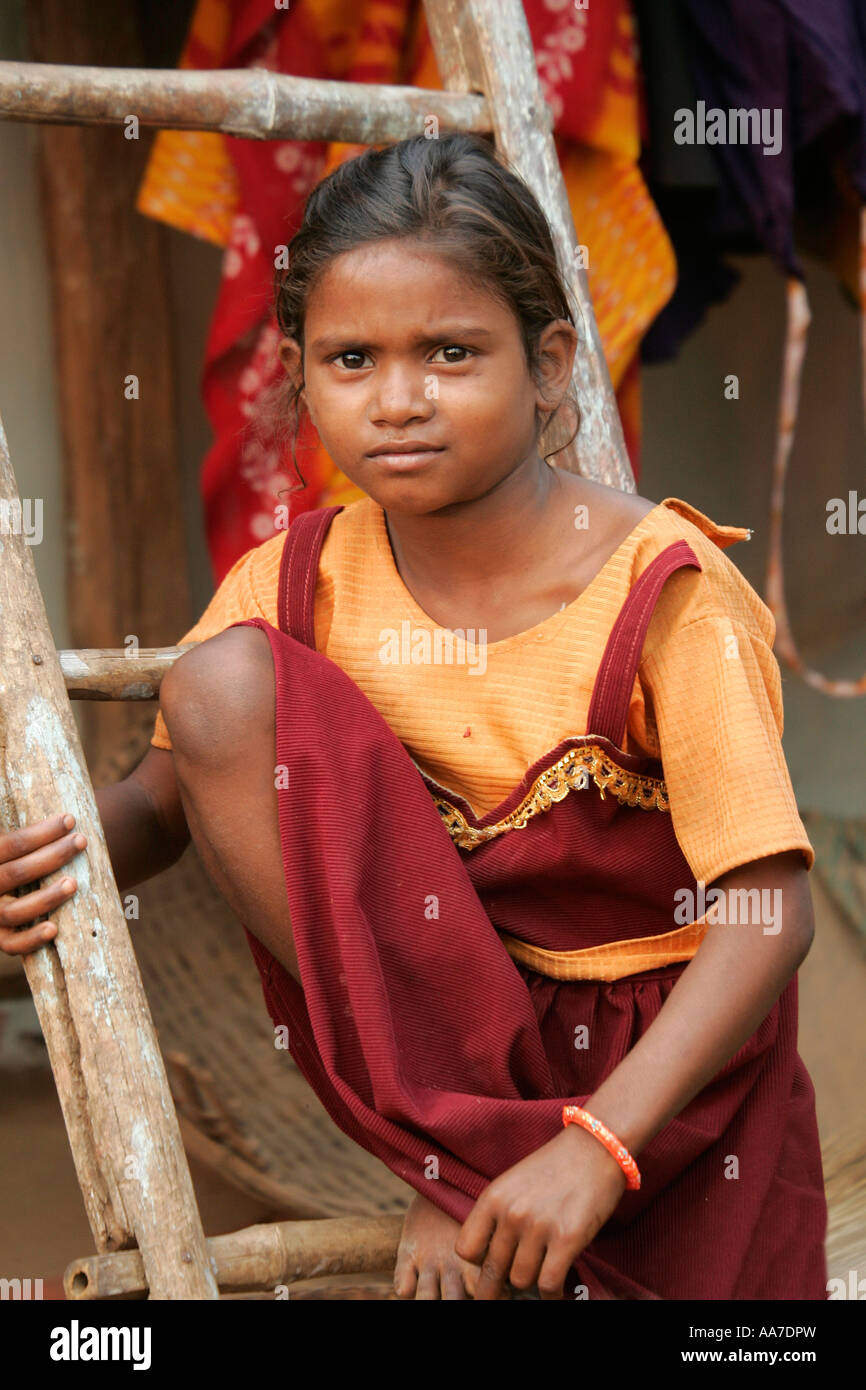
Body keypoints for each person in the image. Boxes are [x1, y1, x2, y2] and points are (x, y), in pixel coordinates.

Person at [0, 133, 827, 1301]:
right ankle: (451, 1158)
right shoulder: (294, 581)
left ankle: (482, 1169)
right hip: (435, 1052)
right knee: (223, 685)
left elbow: (766, 912)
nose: (397, 401)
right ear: (299, 374)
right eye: (349, 359)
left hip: (666, 1074)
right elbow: (164, 802)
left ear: (548, 365)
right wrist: (42, 861)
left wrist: (596, 1148)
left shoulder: (662, 589)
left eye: (449, 352)